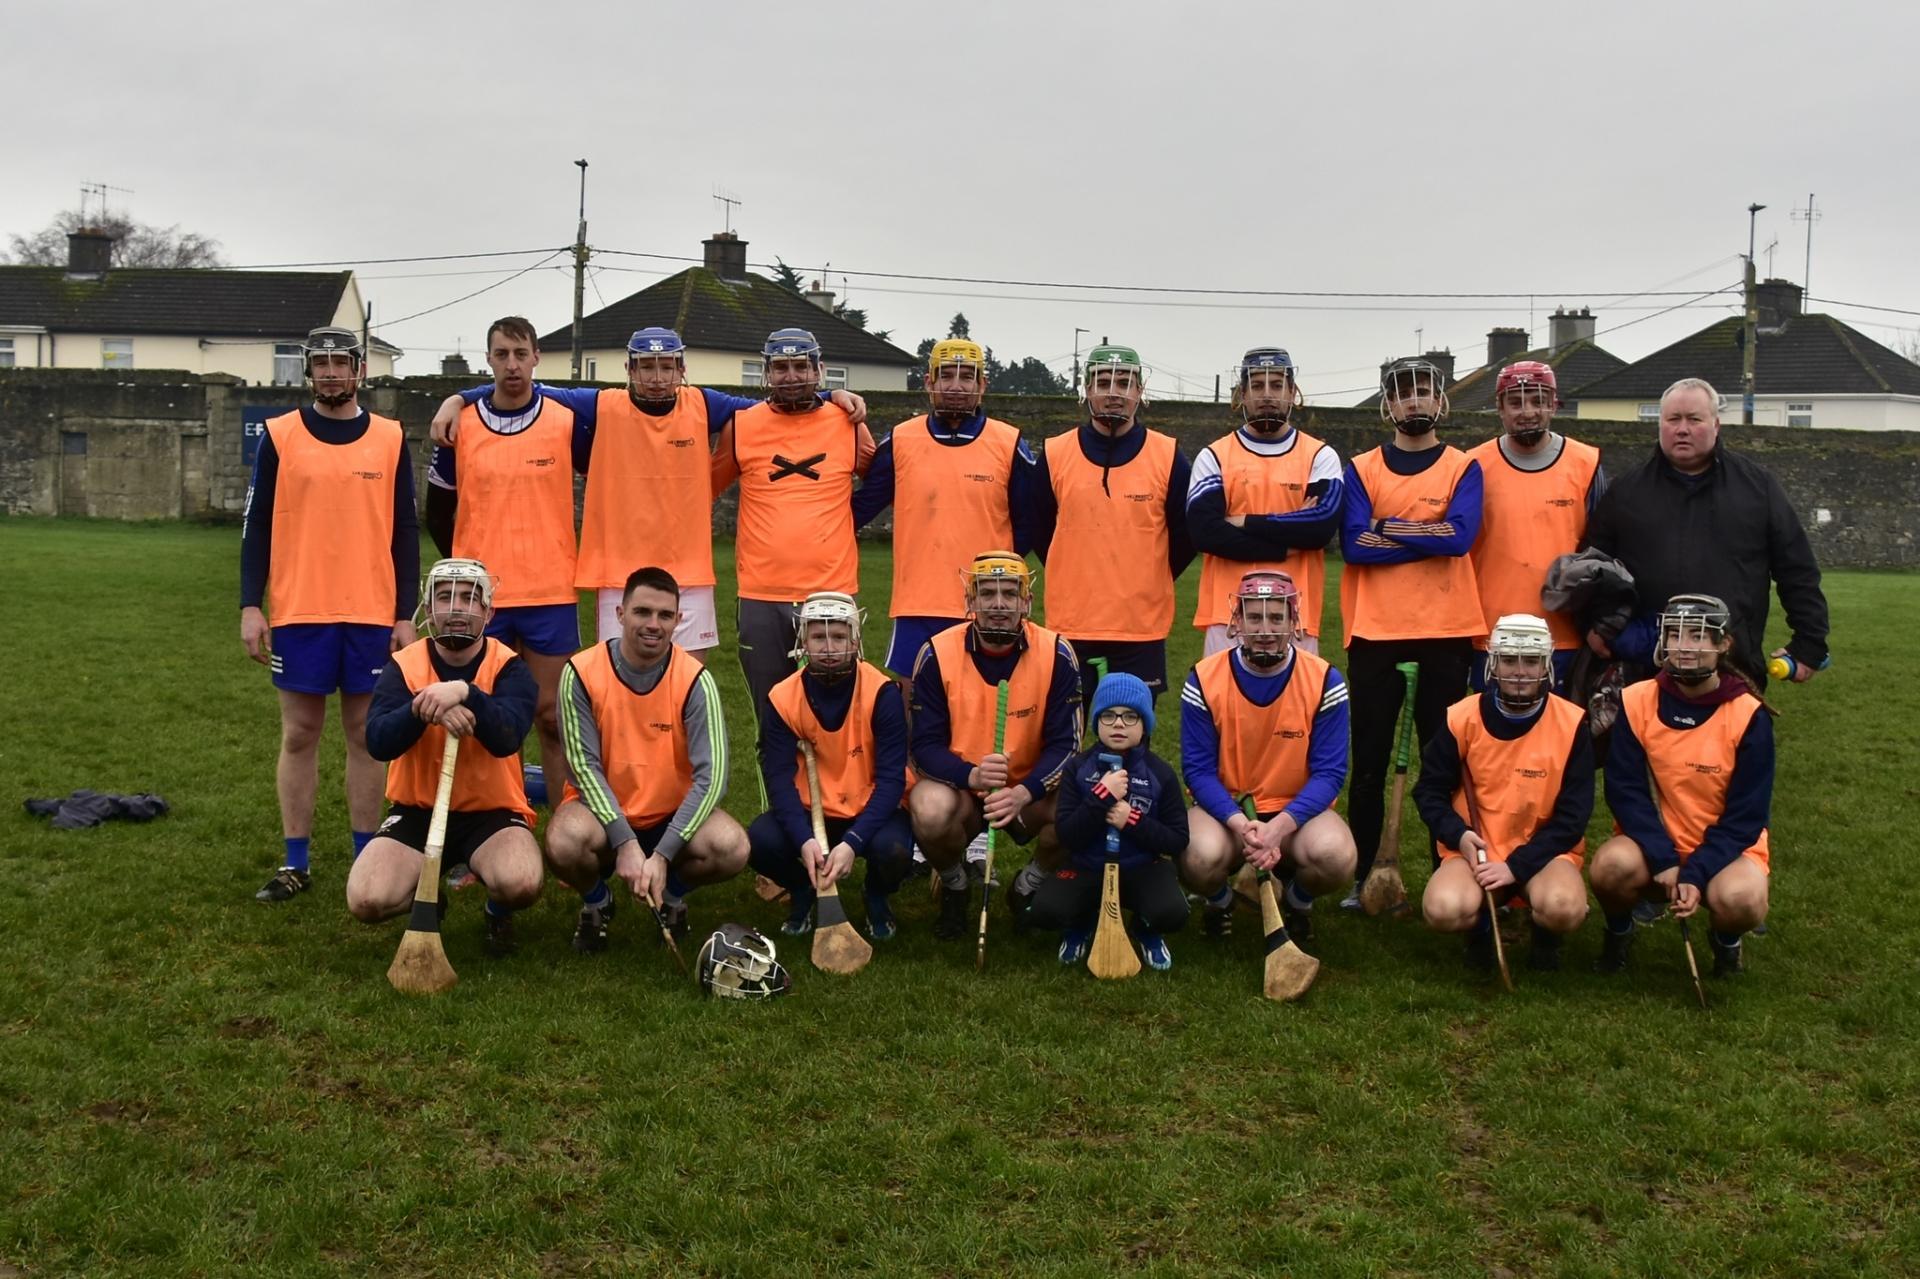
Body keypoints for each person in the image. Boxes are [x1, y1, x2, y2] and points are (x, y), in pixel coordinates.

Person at [427, 326, 868, 660]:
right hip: (618, 572)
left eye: (666, 367)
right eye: (646, 366)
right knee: (617, 690)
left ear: (681, 369)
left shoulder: (705, 405)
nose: (657, 377)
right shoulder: (599, 404)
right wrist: (460, 398)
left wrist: (830, 395)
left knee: (685, 687)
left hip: (689, 571)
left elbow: (781, 401)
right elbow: (519, 387)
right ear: (629, 370)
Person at [240, 326, 419, 903]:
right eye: (321, 364)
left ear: (360, 370)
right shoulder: (280, 435)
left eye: (342, 363)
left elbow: (406, 533)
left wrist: (403, 613)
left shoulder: (390, 438)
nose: (332, 373)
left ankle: (367, 860)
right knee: (300, 734)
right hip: (300, 609)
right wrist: (251, 603)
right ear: (308, 371)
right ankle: (297, 862)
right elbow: (258, 525)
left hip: (370, 612)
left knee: (366, 737)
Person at [1339, 357, 1486, 908]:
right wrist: (1426, 531)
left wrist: (1386, 527)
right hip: (1376, 632)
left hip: (1446, 632)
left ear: (1440, 399)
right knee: (1370, 761)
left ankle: (1445, 870)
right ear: (1389, 404)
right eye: (1404, 393)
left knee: (1442, 761)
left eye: (1424, 390)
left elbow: (1459, 538)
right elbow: (1353, 544)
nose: (1415, 401)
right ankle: (1365, 877)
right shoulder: (1363, 468)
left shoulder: (1462, 466)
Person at [545, 566, 750, 952]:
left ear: (678, 620)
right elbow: (582, 768)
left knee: (732, 846)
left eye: (665, 615)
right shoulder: (582, 672)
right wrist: (624, 842)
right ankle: (596, 902)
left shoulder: (694, 679)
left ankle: (670, 896)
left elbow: (714, 778)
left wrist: (662, 855)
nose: (653, 624)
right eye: (642, 612)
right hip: (602, 817)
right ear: (620, 615)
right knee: (563, 841)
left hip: (670, 816)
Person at [1582, 377, 1828, 688]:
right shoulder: (1626, 492)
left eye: (1694, 419)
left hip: (1731, 661)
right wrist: (1595, 624)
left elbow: (1798, 571)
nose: (1682, 429)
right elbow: (1591, 567)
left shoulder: (1757, 488)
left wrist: (1809, 644)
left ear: (1716, 425)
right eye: (1673, 419)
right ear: (1660, 425)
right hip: (1644, 666)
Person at [421, 317, 580, 799]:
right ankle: (495, 826)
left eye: (520, 353)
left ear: (537, 358)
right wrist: (468, 566)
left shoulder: (566, 417)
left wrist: (459, 393)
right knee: (487, 718)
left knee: (552, 716)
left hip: (551, 593)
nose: (512, 364)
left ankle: (564, 834)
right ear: (487, 359)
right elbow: (437, 511)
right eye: (501, 354)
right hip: (482, 599)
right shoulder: (460, 424)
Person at [350, 558, 542, 955]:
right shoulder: (404, 666)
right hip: (417, 811)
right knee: (366, 901)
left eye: (470, 599)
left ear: (488, 611)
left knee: (521, 883)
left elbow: (507, 736)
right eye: (445, 597)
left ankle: (497, 908)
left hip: (491, 812)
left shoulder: (510, 667)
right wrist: (423, 707)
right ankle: (429, 900)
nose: (456, 609)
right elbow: (379, 741)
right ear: (428, 607)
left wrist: (466, 693)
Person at [1589, 595, 1772, 978]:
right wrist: (1664, 857)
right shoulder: (1637, 699)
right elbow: (1625, 791)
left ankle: (1726, 943)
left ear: (1723, 645)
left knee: (1742, 901)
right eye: (1674, 635)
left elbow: (1747, 816)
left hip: (1726, 847)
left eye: (1698, 636)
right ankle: (1620, 935)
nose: (1684, 647)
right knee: (1609, 867)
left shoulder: (1748, 714)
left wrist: (1696, 871)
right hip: (1654, 841)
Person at [711, 328, 878, 745]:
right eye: (781, 367)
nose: (791, 376)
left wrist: (846, 520)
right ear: (766, 372)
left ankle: (840, 808)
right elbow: (702, 490)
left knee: (837, 718)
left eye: (801, 366)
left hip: (831, 590)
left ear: (820, 370)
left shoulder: (848, 422)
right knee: (772, 721)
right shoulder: (742, 426)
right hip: (762, 594)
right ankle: (780, 810)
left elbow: (881, 484)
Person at [908, 552, 1082, 940]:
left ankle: (1027, 886)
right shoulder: (936, 653)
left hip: (1030, 787)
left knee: (1085, 802)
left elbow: (1067, 745)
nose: (999, 604)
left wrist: (1024, 791)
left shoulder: (1057, 652)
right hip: (964, 787)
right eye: (987, 593)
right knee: (927, 806)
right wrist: (969, 774)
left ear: (1027, 602)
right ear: (970, 602)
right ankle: (955, 886)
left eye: (1010, 593)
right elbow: (922, 745)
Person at [1178, 571, 1354, 944]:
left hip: (1296, 812)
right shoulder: (1204, 678)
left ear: (1294, 622)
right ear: (1237, 621)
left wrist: (1277, 829)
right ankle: (1222, 901)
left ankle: (1298, 902)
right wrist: (1242, 825)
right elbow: (1197, 771)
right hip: (1227, 812)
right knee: (1195, 856)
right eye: (1254, 617)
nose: (1265, 628)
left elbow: (1330, 773)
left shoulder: (1324, 679)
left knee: (1337, 857)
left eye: (1276, 617)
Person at [1412, 614, 1593, 973]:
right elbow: (1429, 792)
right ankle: (1480, 929)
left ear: (1547, 664)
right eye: (1510, 660)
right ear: (1493, 662)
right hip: (1476, 851)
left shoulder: (1572, 723)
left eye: (1531, 661)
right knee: (1443, 910)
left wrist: (1516, 866)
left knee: (1563, 908)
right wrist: (1459, 836)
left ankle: (1546, 935)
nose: (1520, 672)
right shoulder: (1460, 718)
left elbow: (1574, 817)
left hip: (1545, 852)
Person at [853, 337, 1042, 674]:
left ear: (982, 384)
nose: (956, 386)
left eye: (967, 376)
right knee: (915, 707)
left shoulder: (1009, 443)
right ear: (929, 382)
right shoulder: (900, 440)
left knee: (986, 706)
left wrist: (997, 575)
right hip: (918, 603)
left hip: (988, 603)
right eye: (946, 376)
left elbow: (1029, 521)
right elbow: (857, 510)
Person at [1031, 344, 1194, 703]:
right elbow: (1040, 528)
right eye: (1103, 382)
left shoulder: (1167, 455)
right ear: (1087, 390)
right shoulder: (1056, 452)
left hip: (1140, 628)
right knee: (1065, 743)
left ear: (1140, 391)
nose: (1114, 393)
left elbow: (1186, 534)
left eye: (1125, 382)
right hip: (1071, 623)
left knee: (1129, 746)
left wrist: (1148, 575)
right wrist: (1070, 566)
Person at [747, 592, 913, 939]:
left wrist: (853, 841)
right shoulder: (782, 697)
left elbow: (891, 781)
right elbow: (778, 779)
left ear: (855, 640)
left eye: (838, 636)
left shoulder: (882, 693)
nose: (828, 647)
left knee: (895, 851)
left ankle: (876, 894)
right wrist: (804, 839)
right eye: (818, 637)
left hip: (868, 811)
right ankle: (802, 889)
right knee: (759, 841)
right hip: (811, 811)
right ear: (803, 640)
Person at [1187, 348, 1343, 657]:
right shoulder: (1215, 455)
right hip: (1228, 614)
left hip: (1295, 614)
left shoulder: (1319, 455)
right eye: (1257, 386)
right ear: (1242, 394)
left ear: (1292, 393)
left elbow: (1320, 528)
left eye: (1277, 385)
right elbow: (1205, 533)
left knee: (1297, 704)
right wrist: (1284, 547)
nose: (1267, 394)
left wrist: (1243, 521)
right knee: (1225, 704)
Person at [1465, 361, 1606, 693]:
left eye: (1538, 400)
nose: (1527, 411)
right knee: (1495, 736)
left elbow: (1603, 551)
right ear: (1499, 407)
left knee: (1559, 736)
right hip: (1489, 632)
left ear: (1553, 404)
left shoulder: (1586, 464)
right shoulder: (1472, 465)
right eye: (1515, 402)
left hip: (1563, 633)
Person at [1033, 673, 1190, 970]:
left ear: (1145, 724)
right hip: (1088, 866)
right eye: (1109, 715)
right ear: (1096, 723)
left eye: (1130, 716)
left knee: (1172, 912)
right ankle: (1083, 920)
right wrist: (1101, 797)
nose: (1119, 724)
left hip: (1140, 868)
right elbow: (1067, 835)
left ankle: (1145, 928)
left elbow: (1177, 839)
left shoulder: (1160, 773)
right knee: (1045, 912)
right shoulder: (1077, 769)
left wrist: (1131, 820)